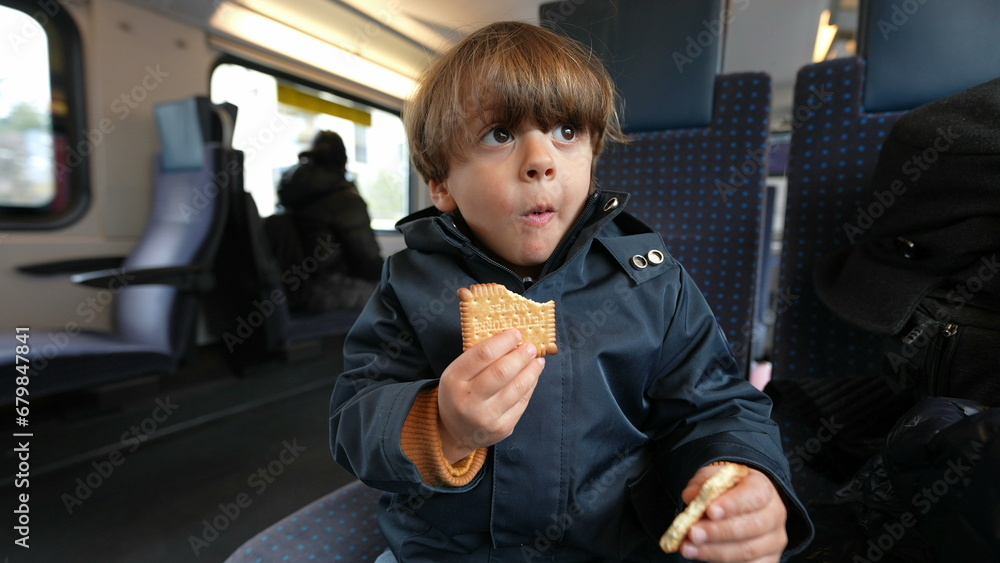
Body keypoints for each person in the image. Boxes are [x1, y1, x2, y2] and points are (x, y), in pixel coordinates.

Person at [329, 21, 812, 562]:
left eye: (566, 132)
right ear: (441, 183)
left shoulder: (651, 281)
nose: (541, 160)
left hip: (612, 548)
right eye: (499, 134)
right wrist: (439, 424)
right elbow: (354, 419)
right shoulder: (409, 285)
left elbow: (715, 407)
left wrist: (740, 472)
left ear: (592, 156)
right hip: (448, 552)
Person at [272, 130, 383, 312]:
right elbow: (368, 263)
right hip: (322, 290)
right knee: (393, 294)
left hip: (288, 290)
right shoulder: (345, 199)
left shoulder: (290, 191)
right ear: (344, 160)